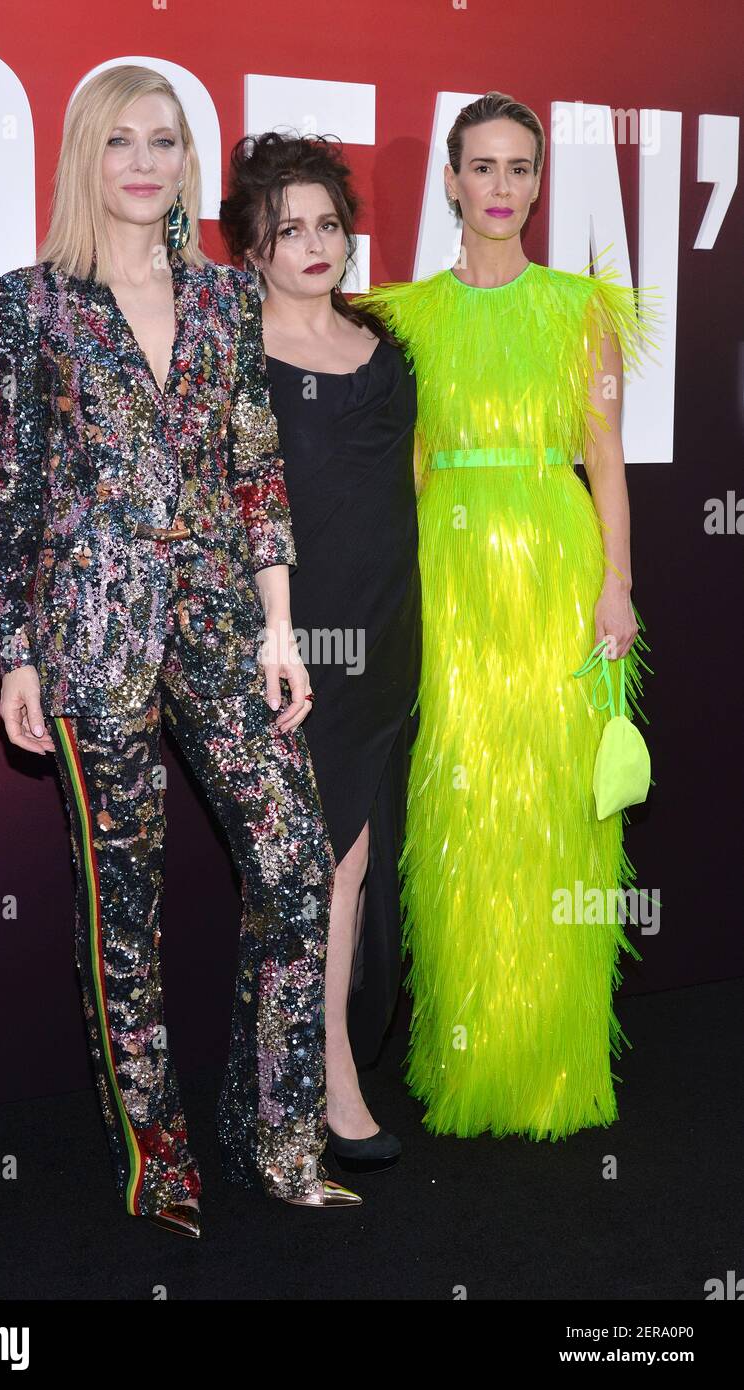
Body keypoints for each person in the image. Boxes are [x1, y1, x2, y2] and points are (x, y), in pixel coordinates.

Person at [0, 65, 363, 1237]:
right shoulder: (29, 301)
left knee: (296, 866)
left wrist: (279, 631)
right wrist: (17, 654)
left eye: (164, 141)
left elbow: (255, 471)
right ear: (86, 158)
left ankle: (278, 1136)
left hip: (216, 621)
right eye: (120, 142)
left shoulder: (222, 302)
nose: (144, 162)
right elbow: (15, 493)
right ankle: (160, 1163)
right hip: (88, 633)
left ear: (186, 162)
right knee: (125, 909)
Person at [352, 91, 659, 1140]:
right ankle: (464, 1052)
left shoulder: (577, 306)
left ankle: (550, 1061)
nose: (499, 187)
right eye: (480, 167)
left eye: (517, 168)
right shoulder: (405, 316)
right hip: (448, 579)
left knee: (556, 817)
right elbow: (403, 470)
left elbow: (604, 457)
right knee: (457, 807)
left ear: (537, 181)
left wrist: (613, 580)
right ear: (449, 179)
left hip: (558, 566)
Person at [220, 132, 422, 1172]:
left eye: (327, 225)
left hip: (387, 634)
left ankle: (298, 1072)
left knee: (349, 862)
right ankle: (324, 1077)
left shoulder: (387, 344)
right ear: (248, 245)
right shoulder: (231, 354)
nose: (312, 244)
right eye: (286, 228)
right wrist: (264, 637)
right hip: (288, 651)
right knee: (316, 868)